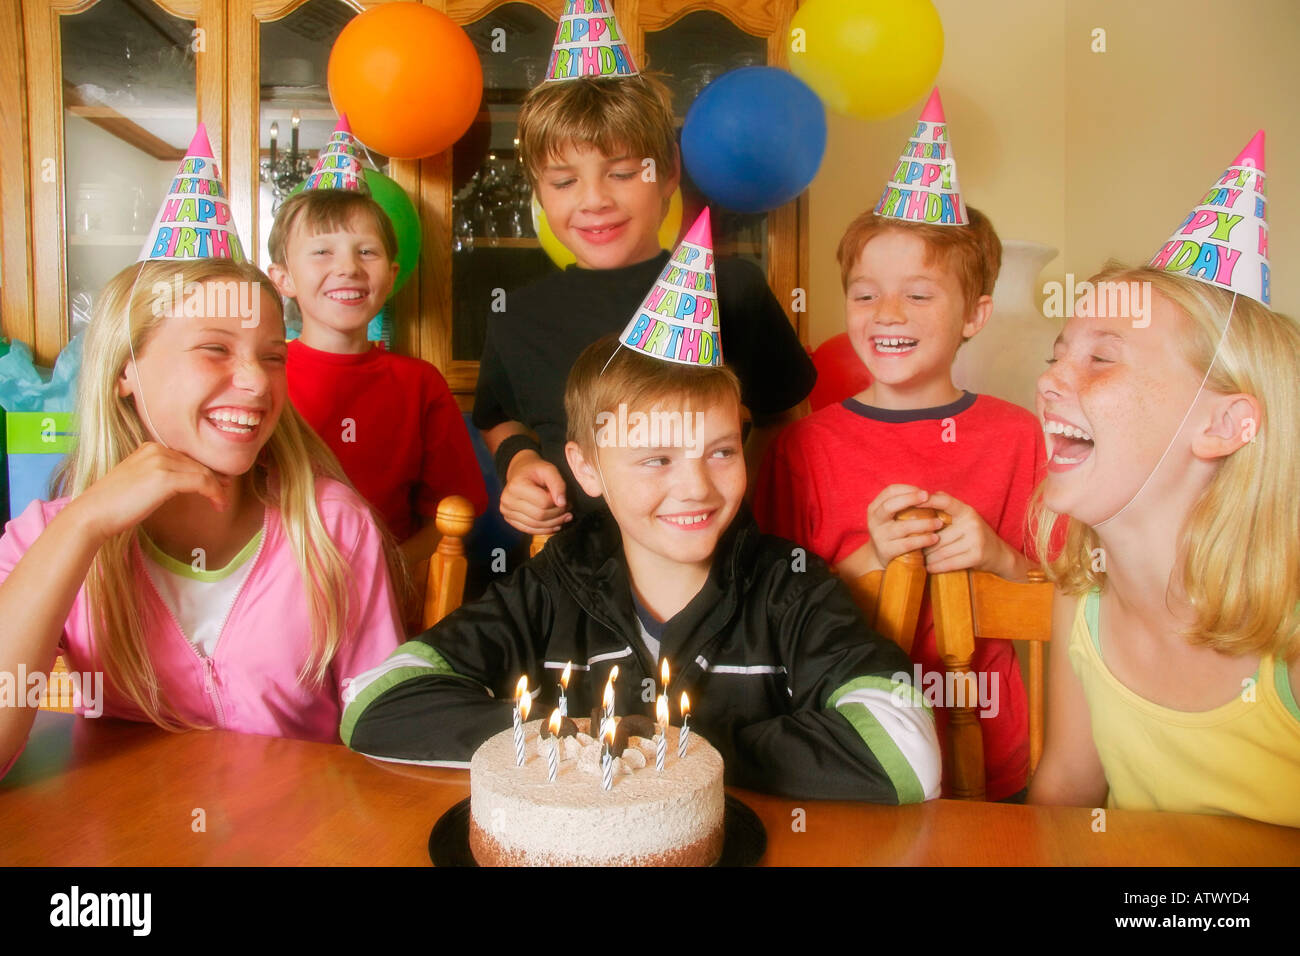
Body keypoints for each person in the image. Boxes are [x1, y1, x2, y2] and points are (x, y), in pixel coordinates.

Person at [341, 334, 940, 801]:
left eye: (721, 451)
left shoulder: (789, 585)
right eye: (656, 458)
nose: (696, 488)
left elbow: (903, 749)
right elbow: (376, 701)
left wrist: (657, 748)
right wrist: (584, 744)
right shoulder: (553, 585)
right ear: (588, 468)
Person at [0, 256, 405, 770]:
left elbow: (383, 732)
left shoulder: (332, 528)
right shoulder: (46, 535)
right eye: (215, 349)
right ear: (126, 369)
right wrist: (83, 525)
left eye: (274, 357)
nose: (257, 383)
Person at [754, 91, 1039, 800]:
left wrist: (997, 556)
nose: (887, 314)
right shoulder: (804, 448)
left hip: (987, 745)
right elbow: (771, 611)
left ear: (975, 315)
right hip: (847, 750)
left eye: (919, 295)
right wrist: (871, 560)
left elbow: (1072, 602)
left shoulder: (1017, 436)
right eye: (864, 294)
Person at [1027, 133, 1299, 824]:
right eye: (1059, 356)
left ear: (1224, 425)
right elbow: (1065, 796)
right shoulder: (1083, 603)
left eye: (1101, 360)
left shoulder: (1288, 639)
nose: (1049, 381)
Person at [476, 28, 814, 537]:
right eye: (565, 181)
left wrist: (740, 505)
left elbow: (785, 415)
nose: (594, 200)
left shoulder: (733, 291)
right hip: (574, 580)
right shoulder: (518, 317)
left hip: (717, 575)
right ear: (540, 195)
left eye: (624, 173)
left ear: (670, 173)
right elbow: (499, 417)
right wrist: (519, 463)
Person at [268, 186, 487, 574]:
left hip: (388, 596)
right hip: (275, 587)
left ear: (390, 276)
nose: (349, 267)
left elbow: (454, 513)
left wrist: (383, 573)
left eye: (366, 251)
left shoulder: (420, 384)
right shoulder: (262, 376)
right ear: (283, 279)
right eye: (322, 251)